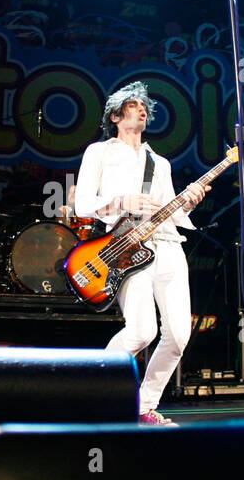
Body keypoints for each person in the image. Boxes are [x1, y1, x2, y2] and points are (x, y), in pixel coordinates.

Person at [73, 83, 208, 425]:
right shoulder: (99, 153)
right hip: (127, 248)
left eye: (145, 106)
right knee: (141, 331)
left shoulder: (158, 162)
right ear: (116, 116)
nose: (142, 109)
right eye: (134, 105)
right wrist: (119, 201)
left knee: (179, 333)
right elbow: (83, 204)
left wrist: (188, 200)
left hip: (168, 245)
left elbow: (170, 211)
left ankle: (142, 406)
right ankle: (92, 388)